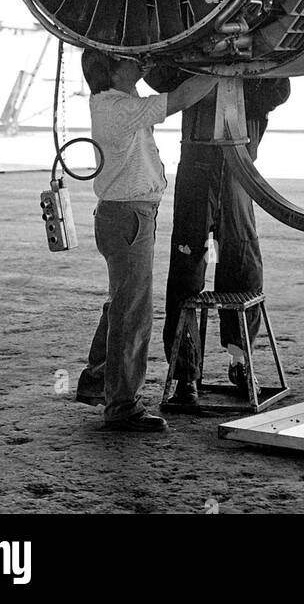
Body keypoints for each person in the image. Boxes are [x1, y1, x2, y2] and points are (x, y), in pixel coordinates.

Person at [75, 50, 217, 433]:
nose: (137, 62)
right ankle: (122, 406)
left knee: (121, 302)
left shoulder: (112, 103)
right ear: (112, 70)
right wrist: (221, 69)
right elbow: (183, 98)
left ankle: (97, 379)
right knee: (133, 311)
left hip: (124, 216)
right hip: (129, 218)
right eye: (128, 59)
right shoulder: (119, 108)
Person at [143, 67, 290, 408]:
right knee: (186, 273)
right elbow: (158, 77)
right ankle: (184, 375)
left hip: (239, 171)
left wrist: (233, 75)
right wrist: (204, 73)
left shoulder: (258, 62)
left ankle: (240, 363)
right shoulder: (193, 61)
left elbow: (279, 90)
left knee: (242, 267)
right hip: (198, 170)